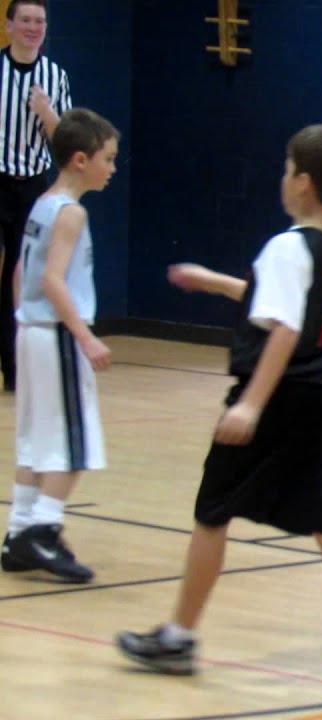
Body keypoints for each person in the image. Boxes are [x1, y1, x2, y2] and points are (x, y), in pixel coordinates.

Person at [115, 123, 322, 687]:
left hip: (275, 395)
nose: (282, 178)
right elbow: (287, 305)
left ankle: (180, 638)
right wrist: (213, 282)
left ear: (304, 183)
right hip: (318, 399)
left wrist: (250, 406)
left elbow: (284, 328)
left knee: (213, 510)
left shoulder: (286, 246)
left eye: (287, 169)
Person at [1, 107, 116, 583]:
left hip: (30, 333)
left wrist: (21, 321)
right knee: (74, 443)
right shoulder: (71, 212)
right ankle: (44, 530)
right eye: (108, 159)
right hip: (55, 336)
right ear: (79, 159)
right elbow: (51, 279)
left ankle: (17, 532)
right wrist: (85, 337)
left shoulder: (43, 202)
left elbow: (20, 273)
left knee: (34, 440)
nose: (112, 168)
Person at [0, 0, 73, 392]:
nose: (32, 27)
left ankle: (14, 369)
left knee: (20, 274)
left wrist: (46, 112)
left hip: (30, 183)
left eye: (39, 22)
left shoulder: (54, 75)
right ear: (9, 25)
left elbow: (63, 141)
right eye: (25, 20)